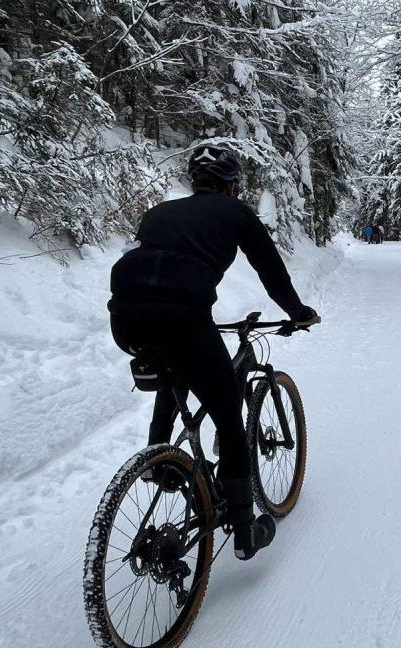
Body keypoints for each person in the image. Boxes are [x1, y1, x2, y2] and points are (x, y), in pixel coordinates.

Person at [107, 144, 319, 561]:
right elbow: (270, 270)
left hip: (126, 320)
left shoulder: (159, 212)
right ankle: (244, 533)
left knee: (175, 368)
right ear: (232, 186)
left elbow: (156, 265)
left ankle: (159, 458)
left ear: (194, 182)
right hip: (184, 319)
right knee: (227, 412)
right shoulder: (235, 213)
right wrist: (298, 313)